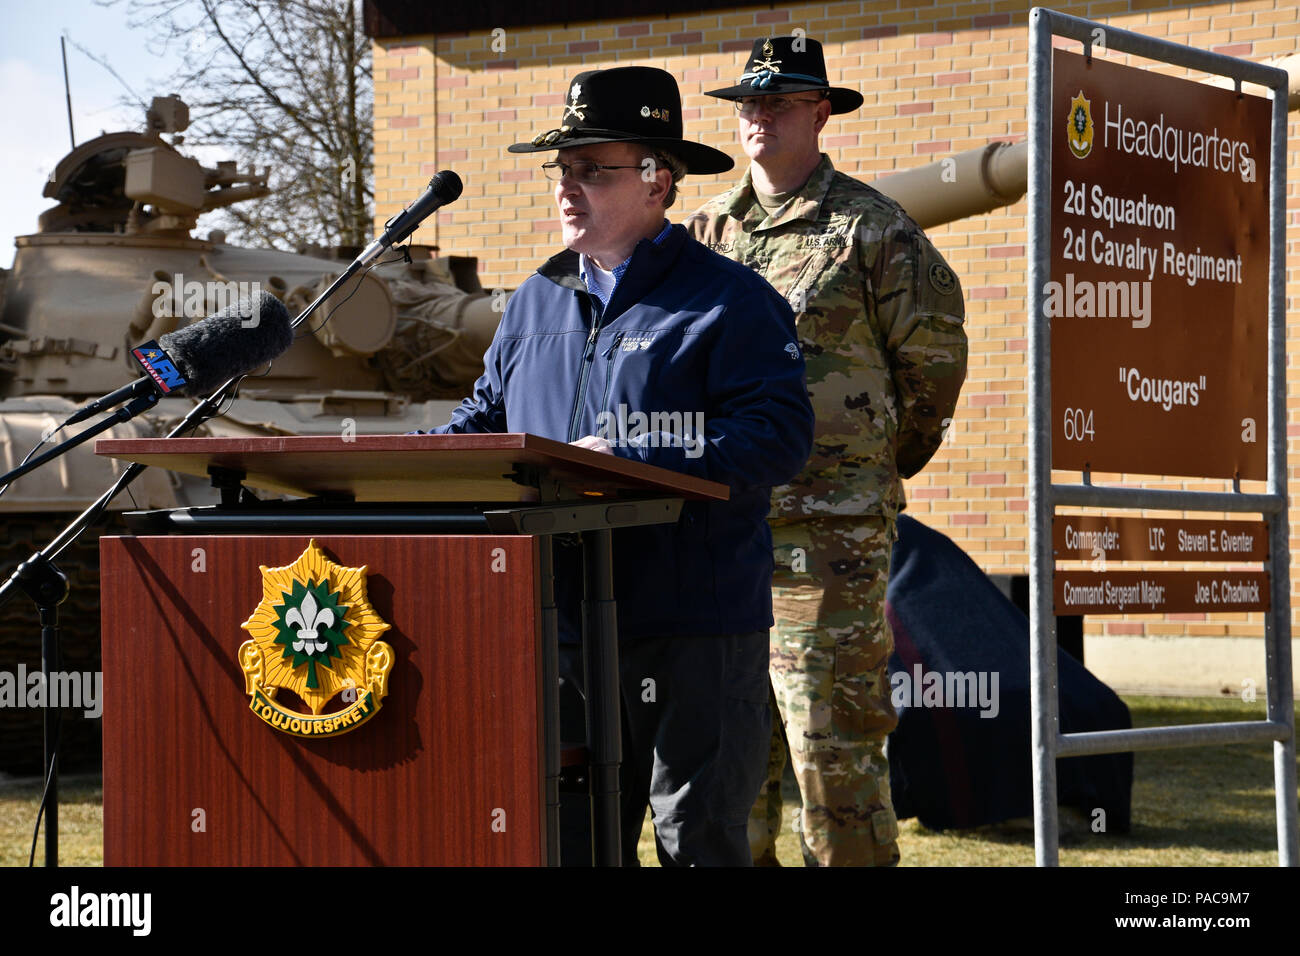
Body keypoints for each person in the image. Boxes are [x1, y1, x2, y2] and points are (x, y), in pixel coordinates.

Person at [423, 65, 814, 866]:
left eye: (593, 170)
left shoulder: (728, 302)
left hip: (692, 629)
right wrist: (424, 462)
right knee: (568, 844)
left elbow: (777, 438)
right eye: (563, 169)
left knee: (697, 842)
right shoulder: (534, 298)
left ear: (657, 180)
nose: (569, 188)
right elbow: (486, 418)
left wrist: (636, 453)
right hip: (559, 626)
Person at [686, 36, 968, 866]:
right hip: (726, 527)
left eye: (777, 102)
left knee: (830, 744)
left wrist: (865, 471)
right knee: (734, 753)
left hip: (829, 534)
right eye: (747, 103)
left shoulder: (873, 230)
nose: (757, 116)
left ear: (820, 112)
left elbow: (933, 369)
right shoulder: (704, 233)